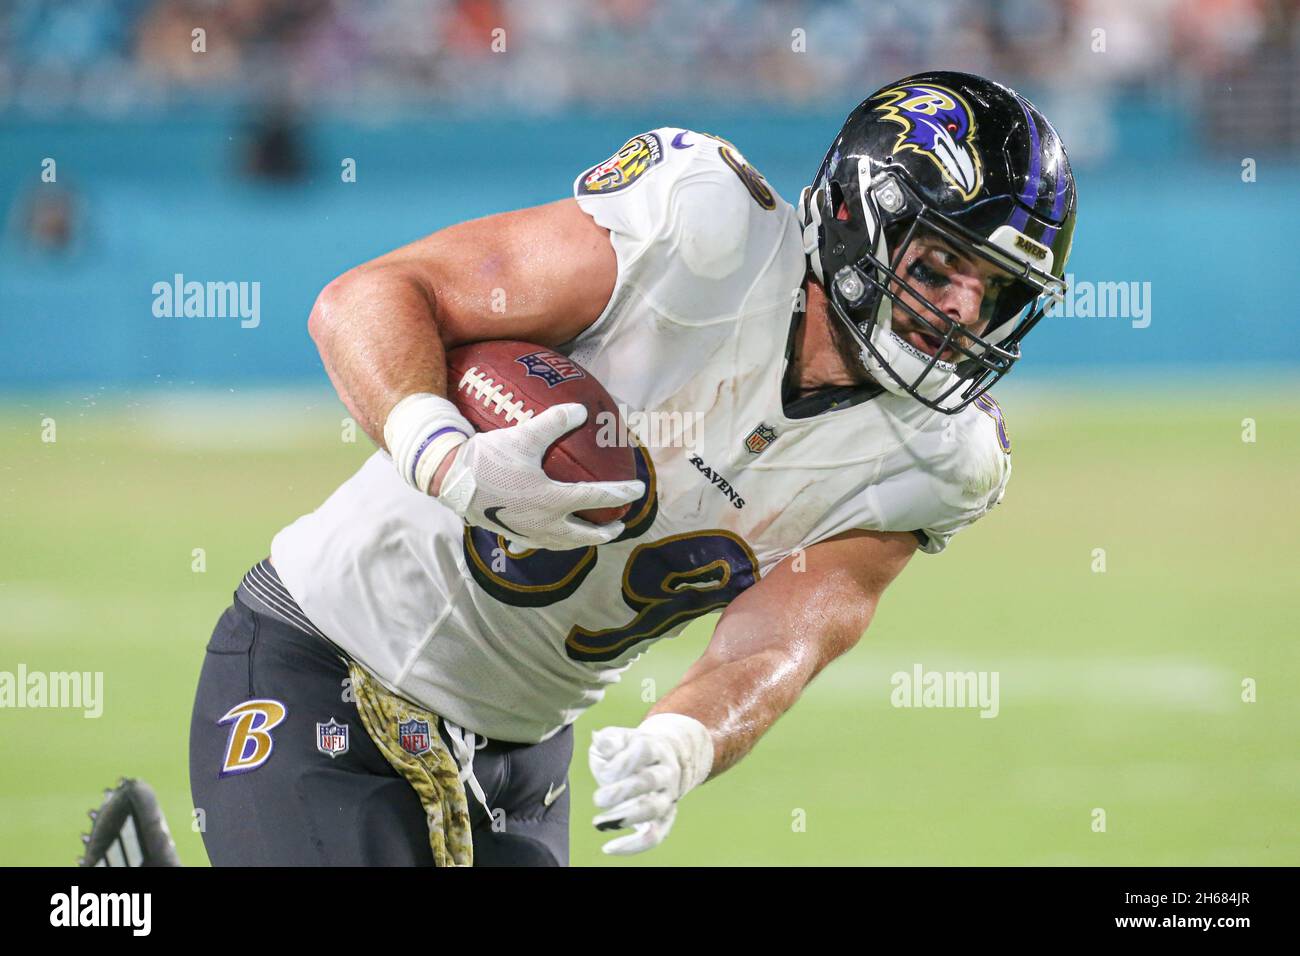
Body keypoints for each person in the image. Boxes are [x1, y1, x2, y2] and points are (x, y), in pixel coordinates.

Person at [189, 70, 1076, 865]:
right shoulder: (702, 230)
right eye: (942, 264)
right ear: (857, 215)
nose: (963, 309)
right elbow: (369, 298)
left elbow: (781, 641)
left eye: (993, 288)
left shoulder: (939, 457)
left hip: (525, 753)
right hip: (326, 661)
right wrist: (450, 463)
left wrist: (684, 741)